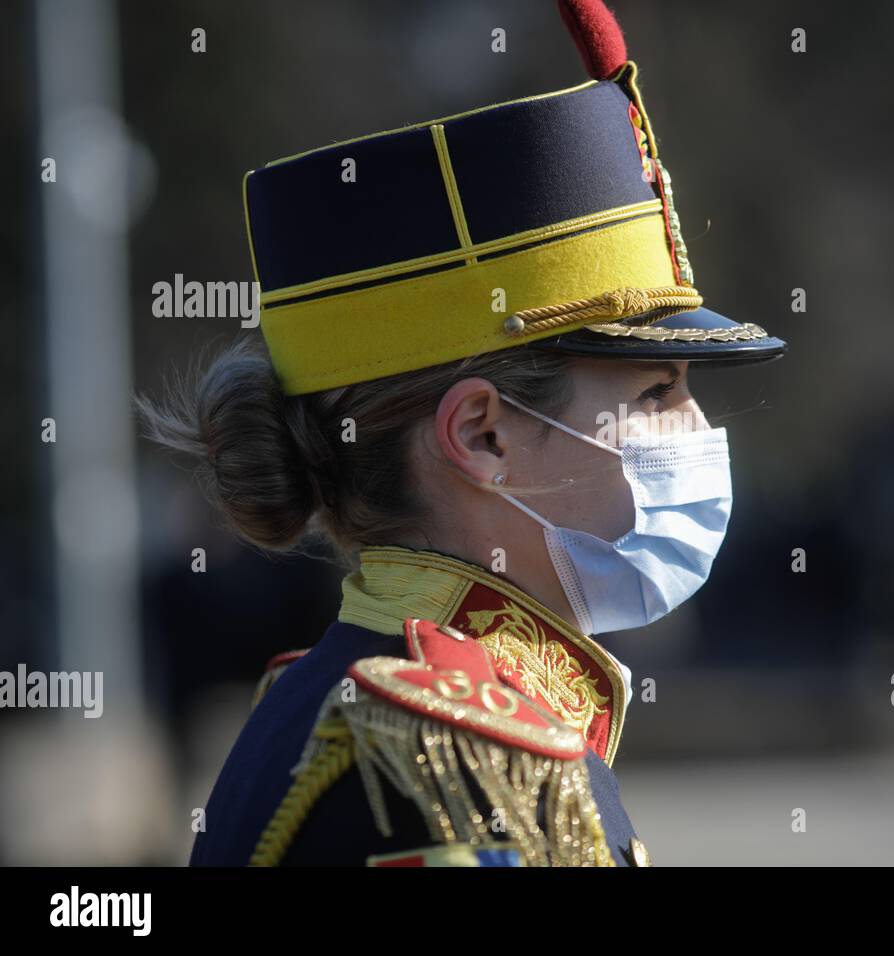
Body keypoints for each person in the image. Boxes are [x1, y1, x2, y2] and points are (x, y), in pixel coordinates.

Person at [142, 0, 786, 867]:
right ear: (483, 437)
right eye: (657, 388)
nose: (699, 429)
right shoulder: (463, 759)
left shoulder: (337, 698)